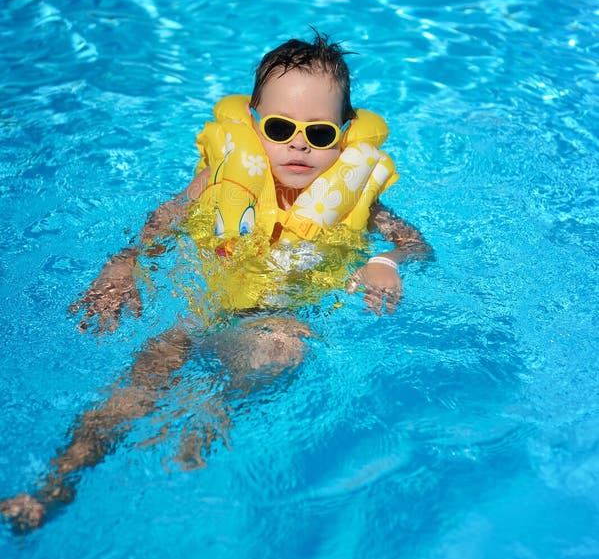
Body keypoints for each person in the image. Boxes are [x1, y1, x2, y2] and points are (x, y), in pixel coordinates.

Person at [1, 31, 431, 532]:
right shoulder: (221, 174)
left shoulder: (361, 196)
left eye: (319, 135)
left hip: (277, 316)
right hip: (198, 310)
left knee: (283, 343)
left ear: (345, 130)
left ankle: (211, 409)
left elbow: (416, 245)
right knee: (134, 389)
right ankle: (55, 482)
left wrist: (387, 262)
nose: (298, 144)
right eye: (279, 127)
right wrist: (124, 264)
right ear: (252, 122)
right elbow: (166, 218)